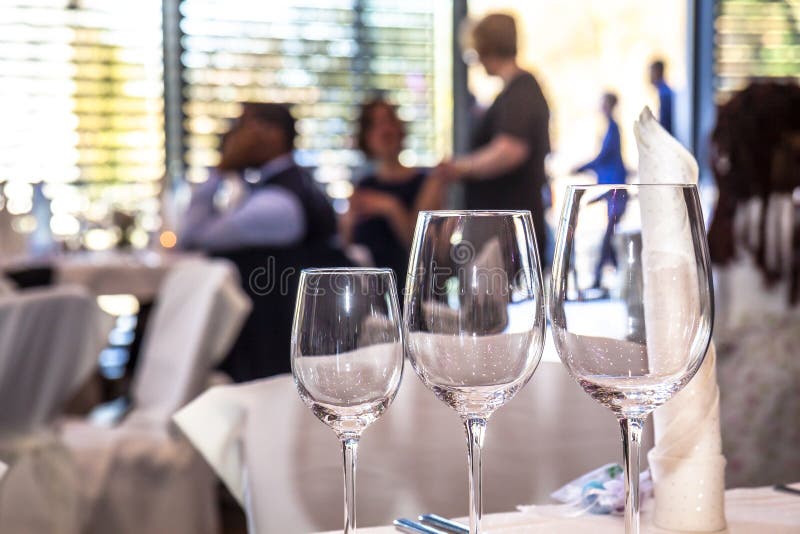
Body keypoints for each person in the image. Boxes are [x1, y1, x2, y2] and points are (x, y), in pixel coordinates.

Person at [707, 81, 800, 488]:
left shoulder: (731, 219)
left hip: (742, 383)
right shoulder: (779, 219)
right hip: (776, 383)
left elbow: (719, 320)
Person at [435, 13, 550, 263]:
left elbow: (510, 149)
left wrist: (461, 167)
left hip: (507, 230)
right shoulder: (515, 91)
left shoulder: (522, 90)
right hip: (504, 227)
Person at [179, 102, 337, 252]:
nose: (231, 136)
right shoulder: (293, 185)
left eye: (241, 126)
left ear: (273, 134)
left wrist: (222, 168)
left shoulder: (275, 202)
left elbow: (192, 239)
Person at [342, 99, 445, 290]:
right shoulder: (363, 186)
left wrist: (391, 208)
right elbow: (347, 246)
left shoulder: (427, 181)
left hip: (410, 289)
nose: (384, 131)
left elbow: (426, 249)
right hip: (369, 290)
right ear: (366, 137)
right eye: (375, 125)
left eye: (389, 121)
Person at [572, 92, 628, 289]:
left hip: (615, 188)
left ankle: (605, 277)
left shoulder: (613, 129)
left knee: (609, 235)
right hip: (610, 188)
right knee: (610, 235)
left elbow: (604, 157)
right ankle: (620, 275)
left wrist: (581, 167)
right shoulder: (610, 128)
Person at [649, 59, 673, 135]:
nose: (649, 76)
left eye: (651, 72)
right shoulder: (661, 91)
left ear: (658, 71)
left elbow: (665, 123)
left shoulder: (664, 93)